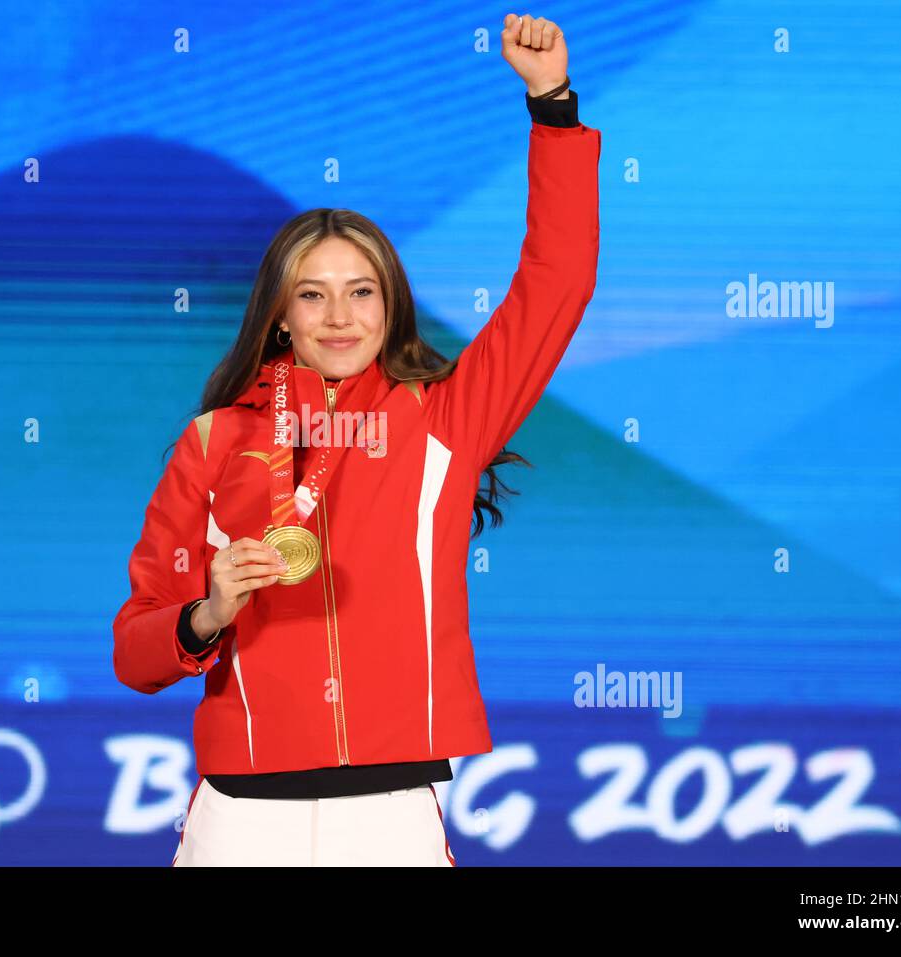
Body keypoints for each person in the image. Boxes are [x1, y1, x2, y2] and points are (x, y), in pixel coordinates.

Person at [112, 12, 601, 866]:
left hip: (388, 815)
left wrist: (551, 106)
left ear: (390, 307)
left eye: (362, 291)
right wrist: (210, 611)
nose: (339, 316)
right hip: (240, 820)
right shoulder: (214, 440)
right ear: (279, 315)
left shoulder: (446, 418)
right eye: (312, 295)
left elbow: (557, 281)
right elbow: (136, 647)